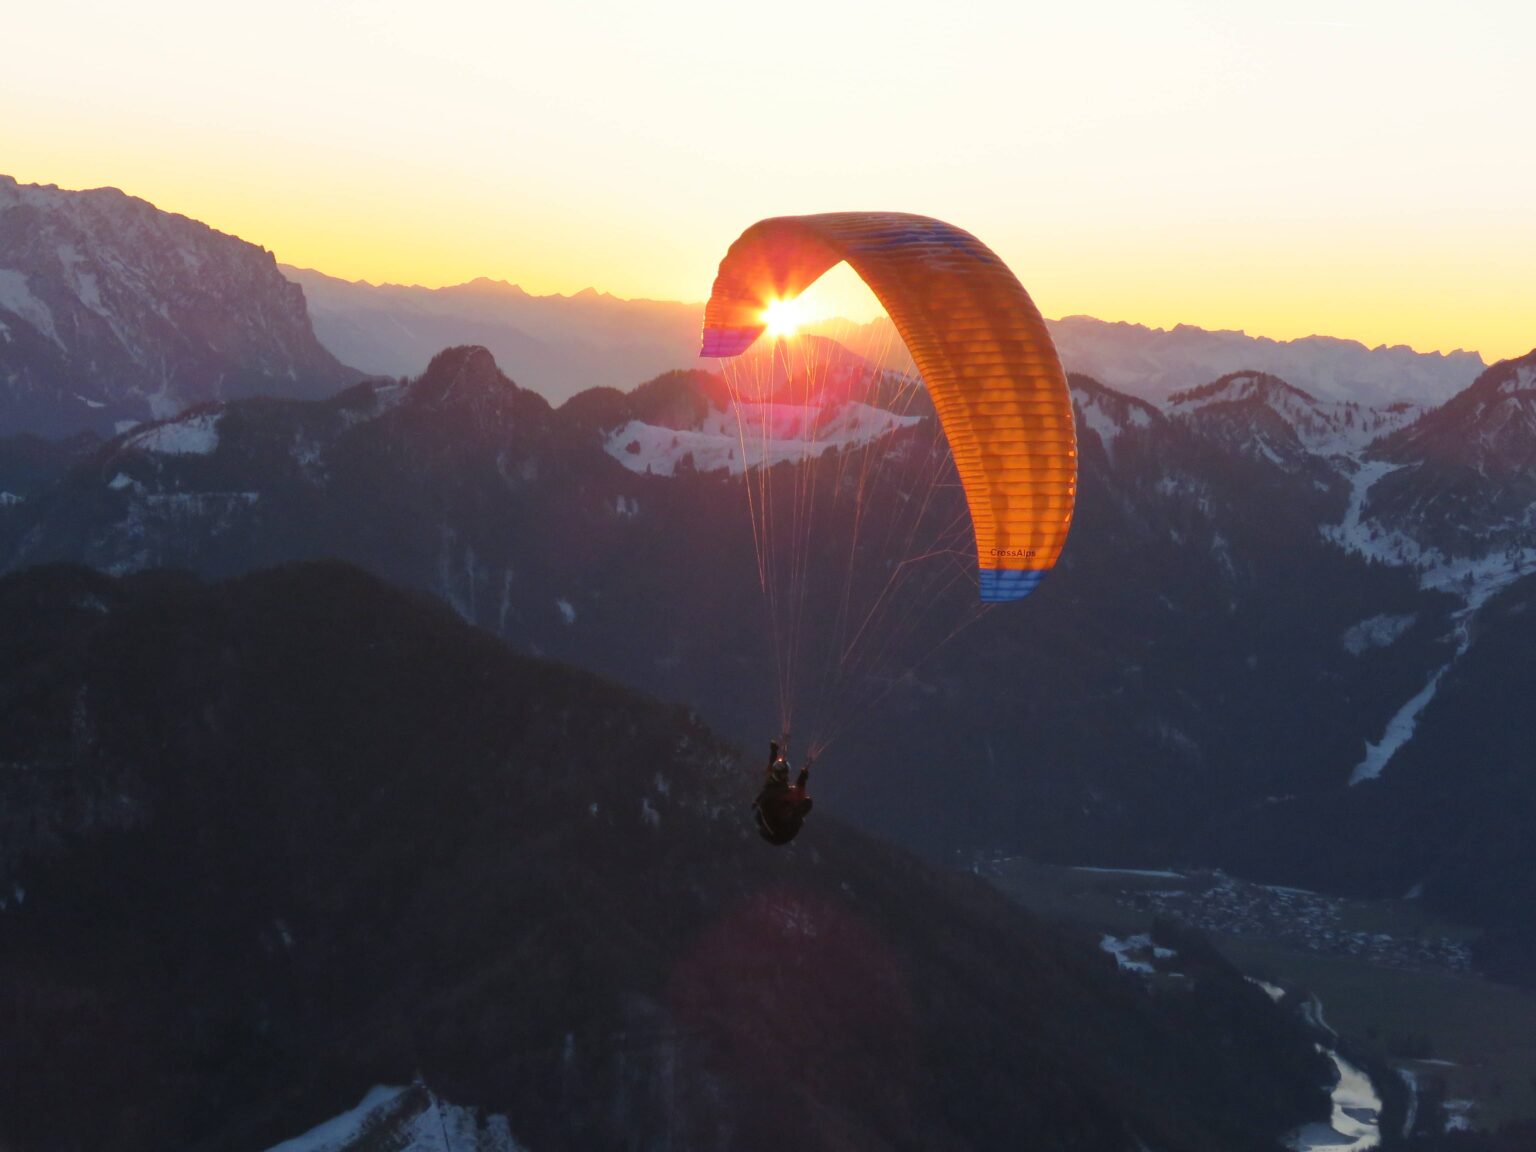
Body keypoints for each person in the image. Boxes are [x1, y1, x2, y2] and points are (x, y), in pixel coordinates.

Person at [753, 739, 813, 845]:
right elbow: (772, 767)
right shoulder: (781, 791)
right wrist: (774, 751)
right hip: (771, 828)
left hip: (776, 833)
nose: (786, 776)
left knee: (775, 801)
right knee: (775, 800)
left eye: (785, 774)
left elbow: (797, 793)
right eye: (783, 774)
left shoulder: (793, 816)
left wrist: (802, 779)